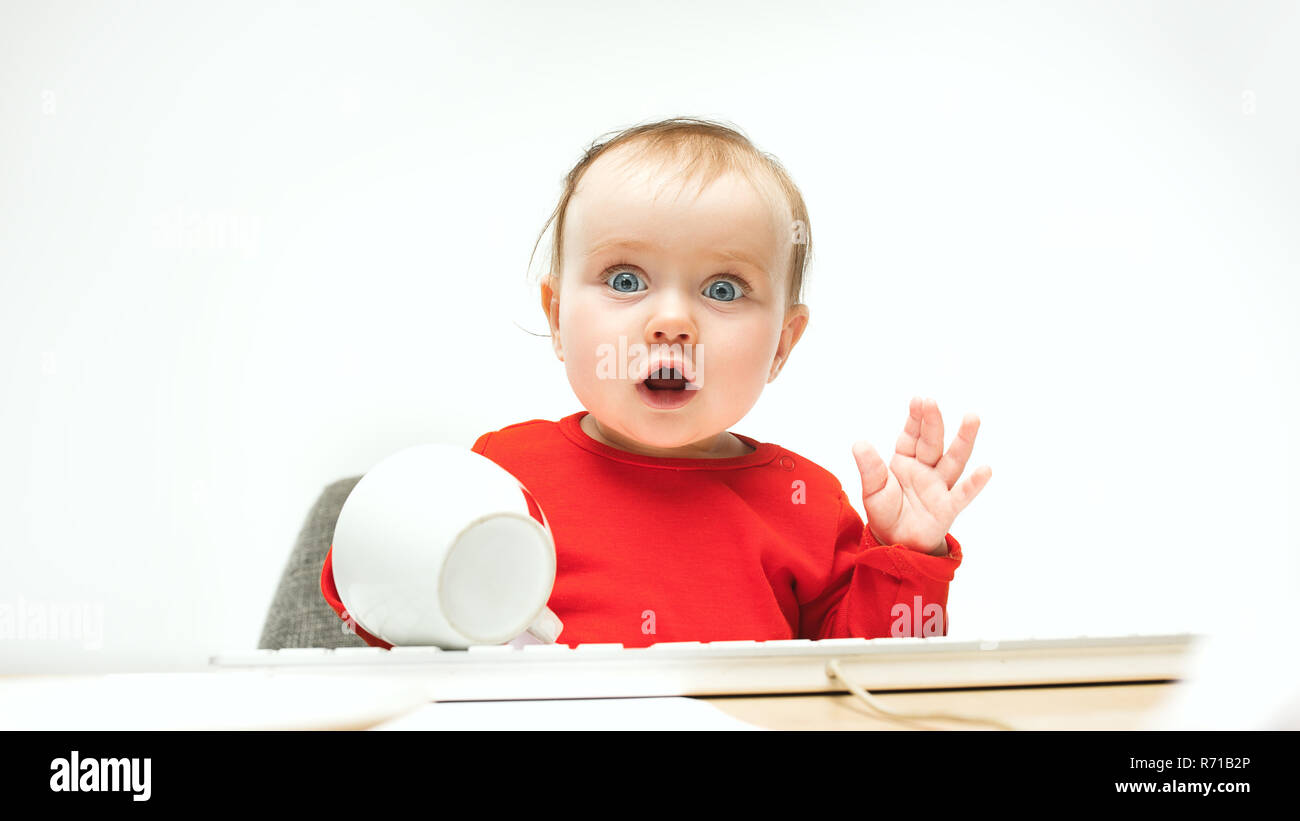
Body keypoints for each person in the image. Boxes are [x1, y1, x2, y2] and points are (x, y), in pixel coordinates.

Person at [321, 117, 992, 648]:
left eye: (723, 289)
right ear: (558, 318)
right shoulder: (505, 470)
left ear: (782, 345)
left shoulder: (806, 505)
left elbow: (879, 673)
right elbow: (384, 618)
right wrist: (393, 544)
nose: (672, 320)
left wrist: (910, 556)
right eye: (625, 280)